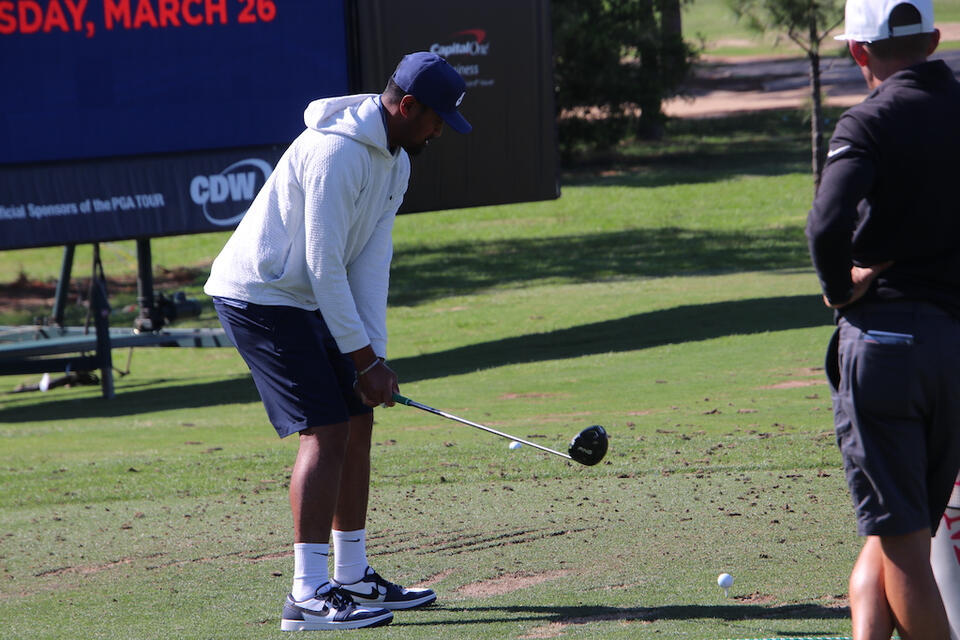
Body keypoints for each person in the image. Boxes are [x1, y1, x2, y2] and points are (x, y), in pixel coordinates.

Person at [203, 52, 472, 631]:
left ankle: (351, 574)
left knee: (358, 418)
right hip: (260, 293)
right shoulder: (336, 152)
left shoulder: (396, 161)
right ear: (407, 106)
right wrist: (362, 361)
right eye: (436, 119)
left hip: (303, 297)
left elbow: (370, 265)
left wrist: (373, 359)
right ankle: (306, 595)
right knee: (325, 428)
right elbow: (325, 267)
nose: (439, 131)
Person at [806, 0, 960, 637]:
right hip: (953, 348)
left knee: (902, 543)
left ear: (858, 52)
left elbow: (826, 225)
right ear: (933, 38)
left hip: (888, 347)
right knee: (904, 527)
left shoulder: (868, 120)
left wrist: (841, 287)